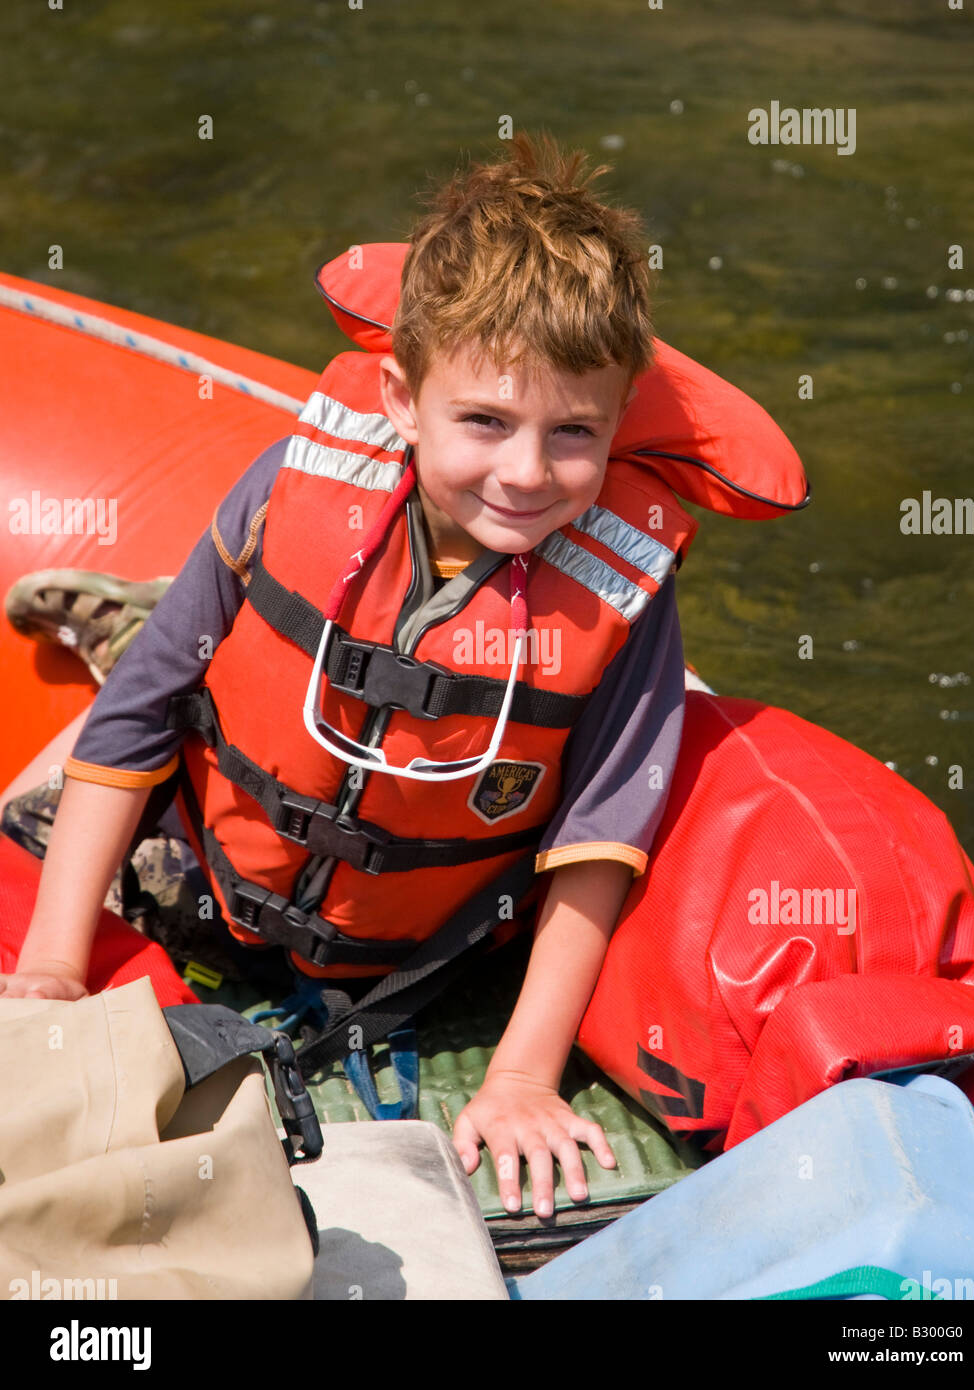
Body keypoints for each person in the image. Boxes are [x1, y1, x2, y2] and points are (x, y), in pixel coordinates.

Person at [0, 131, 798, 1216]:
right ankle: (139, 615)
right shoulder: (291, 488)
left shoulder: (623, 593)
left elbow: (597, 849)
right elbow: (138, 722)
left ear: (616, 424)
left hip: (428, 946)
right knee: (53, 788)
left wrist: (518, 1074)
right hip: (212, 874)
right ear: (397, 396)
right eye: (483, 421)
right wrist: (53, 962)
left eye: (574, 433)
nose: (525, 472)